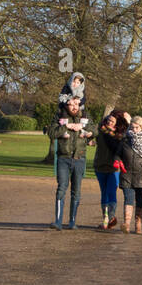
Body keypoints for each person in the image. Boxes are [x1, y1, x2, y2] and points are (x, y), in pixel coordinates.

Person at [52, 96, 94, 230]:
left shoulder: (85, 116)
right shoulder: (59, 116)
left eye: (77, 104)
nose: (75, 107)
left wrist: (87, 132)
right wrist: (66, 126)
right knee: (61, 188)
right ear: (66, 104)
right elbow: (51, 132)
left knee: (76, 191)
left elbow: (95, 130)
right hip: (63, 158)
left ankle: (72, 221)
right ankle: (58, 221)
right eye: (72, 104)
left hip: (79, 159)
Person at [94, 111, 124, 229]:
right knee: (104, 193)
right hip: (100, 166)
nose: (109, 122)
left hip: (114, 168)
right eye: (108, 120)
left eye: (112, 121)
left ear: (116, 124)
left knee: (111, 192)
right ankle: (106, 219)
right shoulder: (100, 132)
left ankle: (110, 217)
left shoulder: (119, 136)